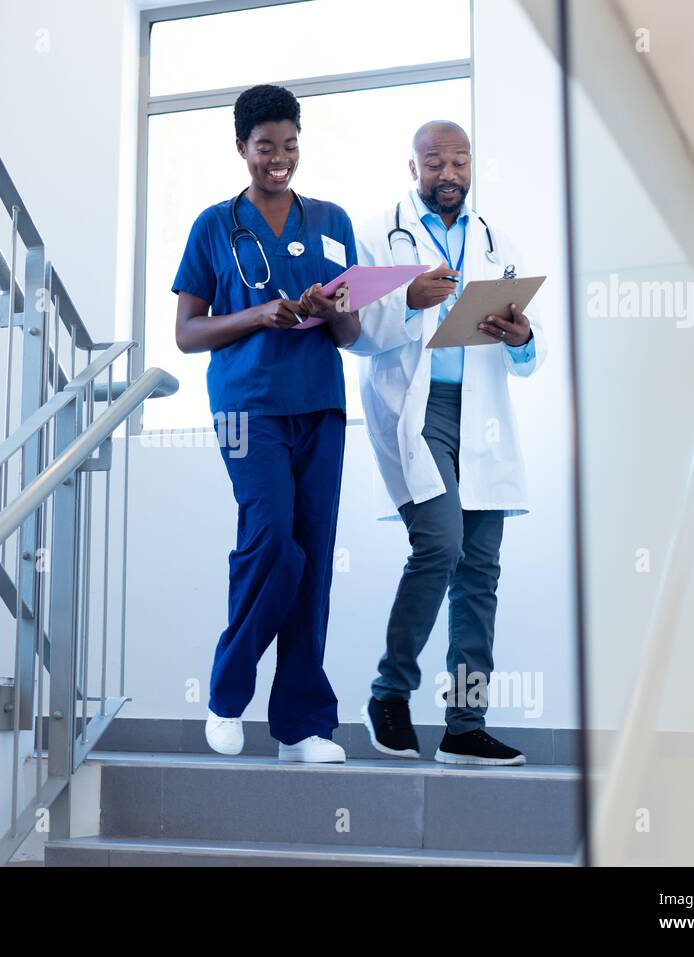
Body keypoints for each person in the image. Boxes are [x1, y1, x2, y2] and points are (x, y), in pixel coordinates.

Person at [347, 120, 547, 765]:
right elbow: (352, 332)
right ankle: (390, 694)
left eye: (459, 162)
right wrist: (406, 299)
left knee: (480, 572)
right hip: (414, 410)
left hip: (483, 415)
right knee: (440, 543)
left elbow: (529, 350)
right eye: (435, 163)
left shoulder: (495, 241)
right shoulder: (377, 234)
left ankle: (465, 726)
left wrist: (522, 337)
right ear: (413, 169)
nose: (449, 175)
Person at [172, 84, 361, 763]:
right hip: (249, 405)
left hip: (321, 404)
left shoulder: (333, 222)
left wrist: (330, 305)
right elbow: (187, 332)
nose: (277, 161)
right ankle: (227, 695)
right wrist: (259, 314)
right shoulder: (213, 226)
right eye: (264, 149)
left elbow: (350, 329)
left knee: (313, 560)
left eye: (288, 147)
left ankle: (303, 724)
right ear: (241, 150)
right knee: (273, 543)